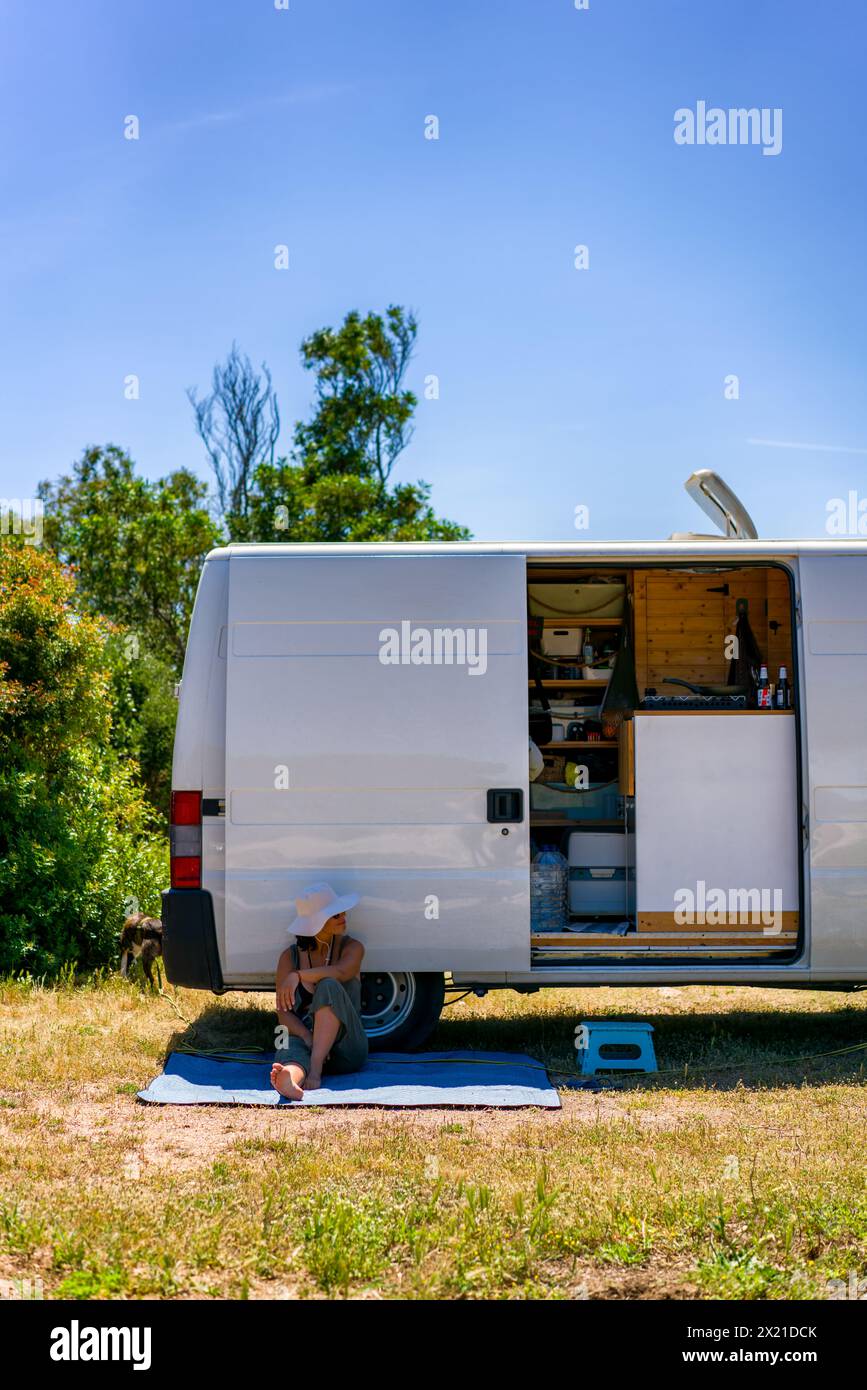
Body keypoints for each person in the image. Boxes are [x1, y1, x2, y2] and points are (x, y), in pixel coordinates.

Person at [270, 883, 368, 1100]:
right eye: (335, 914)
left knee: (328, 984)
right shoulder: (290, 957)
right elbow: (283, 1012)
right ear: (317, 923)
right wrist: (307, 1037)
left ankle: (315, 1069)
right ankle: (291, 1079)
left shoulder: (352, 948)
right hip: (306, 1039)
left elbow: (342, 972)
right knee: (285, 1039)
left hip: (347, 1046)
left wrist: (298, 976)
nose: (343, 916)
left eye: (342, 911)